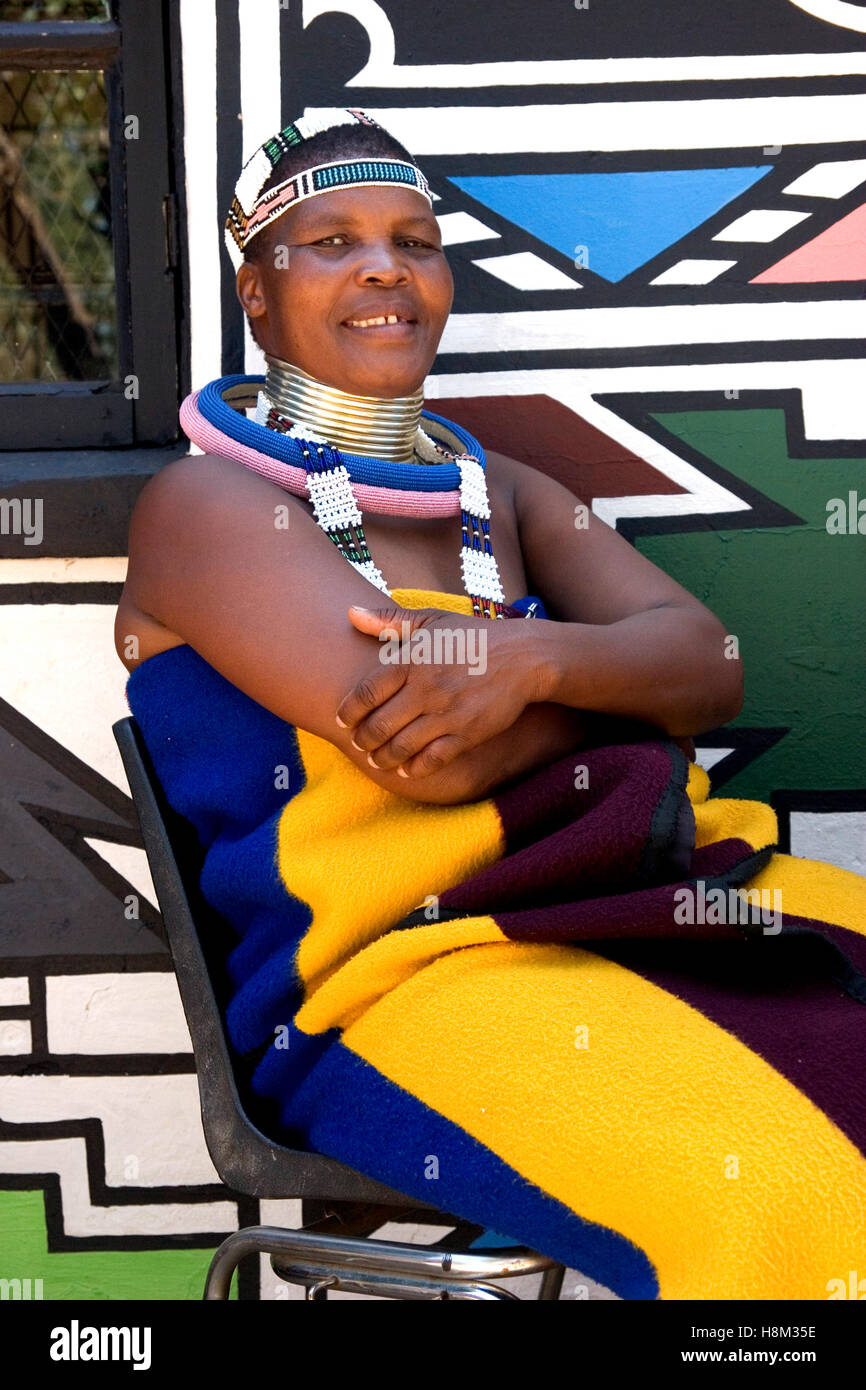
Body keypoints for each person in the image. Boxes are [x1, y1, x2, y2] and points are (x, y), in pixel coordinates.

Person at [116, 110, 866, 1300]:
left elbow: (707, 662)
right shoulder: (203, 506)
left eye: (414, 242)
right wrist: (614, 681)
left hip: (646, 898)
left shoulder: (496, 489)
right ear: (257, 292)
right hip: (401, 977)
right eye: (333, 242)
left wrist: (524, 662)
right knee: (785, 1186)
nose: (384, 268)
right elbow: (429, 756)